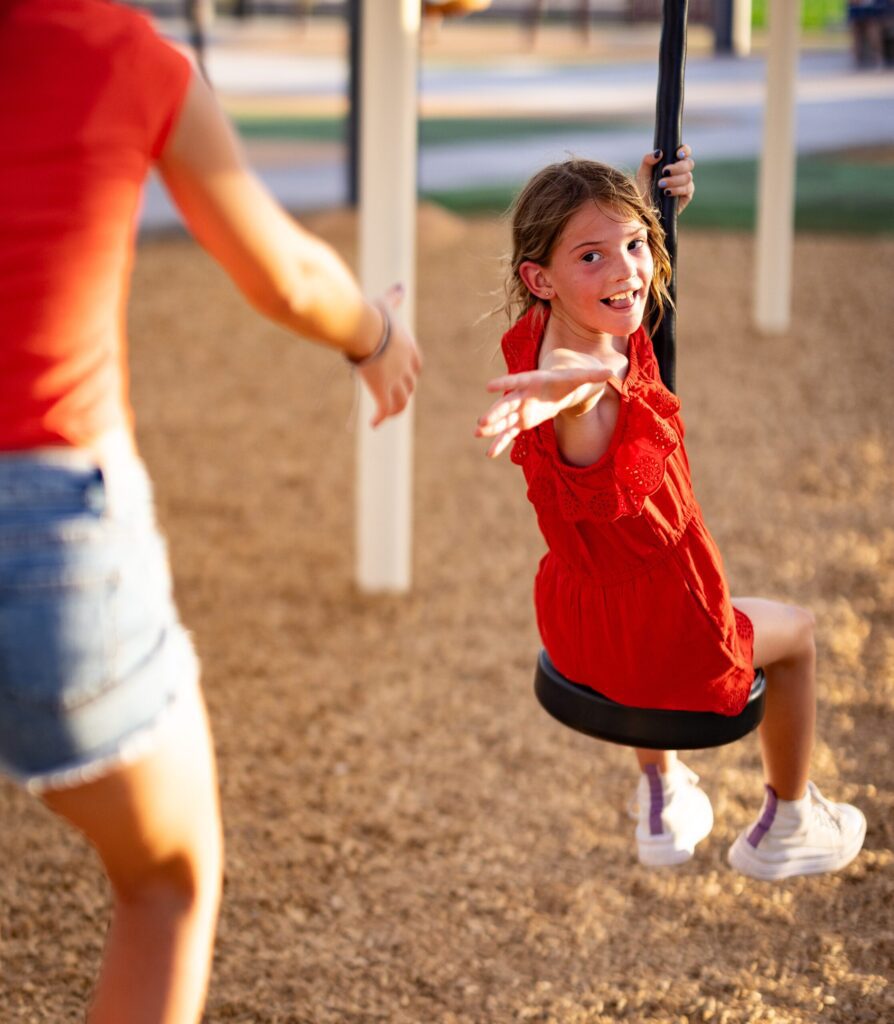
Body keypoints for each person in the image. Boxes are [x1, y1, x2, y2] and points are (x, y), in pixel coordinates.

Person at [0, 2, 421, 1022]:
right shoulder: (127, 56)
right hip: (48, 523)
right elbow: (283, 273)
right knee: (166, 882)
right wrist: (376, 336)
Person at [475, 154, 866, 881]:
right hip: (671, 631)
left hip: (580, 621)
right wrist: (568, 391)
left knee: (634, 608)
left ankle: (662, 792)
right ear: (541, 277)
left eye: (635, 245)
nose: (626, 270)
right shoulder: (579, 377)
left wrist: (660, 208)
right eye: (591, 256)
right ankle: (789, 820)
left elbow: (615, 287)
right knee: (799, 635)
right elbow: (580, 386)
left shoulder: (552, 323)